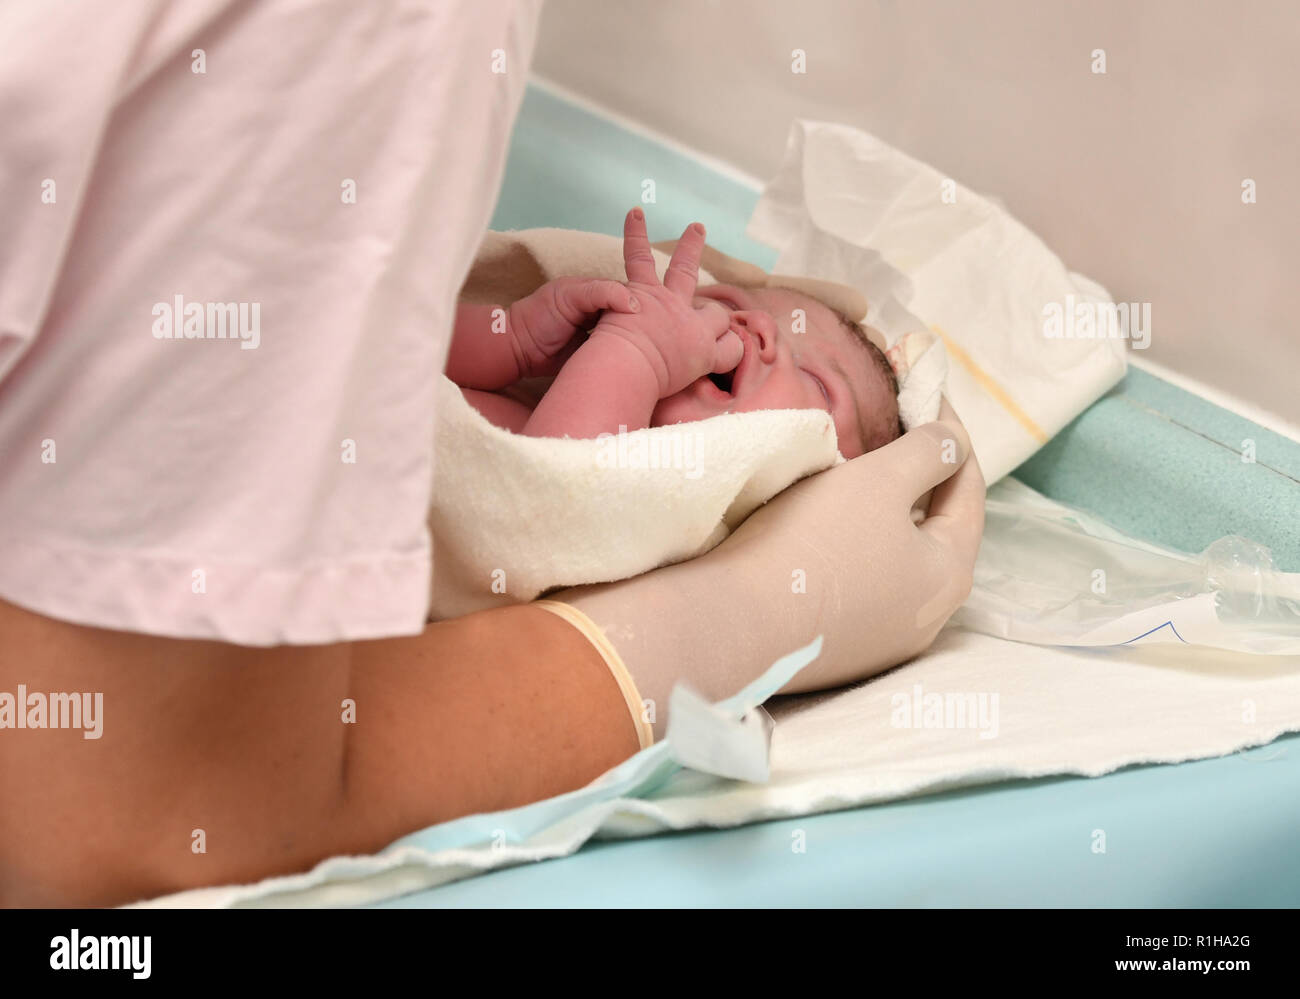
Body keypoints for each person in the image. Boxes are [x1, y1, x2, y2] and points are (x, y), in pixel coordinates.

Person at [0, 0, 984, 907]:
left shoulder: (634, 479)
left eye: (808, 393)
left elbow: (402, 382)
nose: (754, 338)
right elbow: (129, 818)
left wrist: (518, 341)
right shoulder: (369, 32)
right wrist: (751, 611)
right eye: (733, 312)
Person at [450, 208, 903, 459]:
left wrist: (638, 352)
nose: (758, 326)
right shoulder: (537, 401)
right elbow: (405, 358)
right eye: (727, 307)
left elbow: (551, 491)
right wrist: (513, 342)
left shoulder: (671, 506)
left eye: (820, 385)